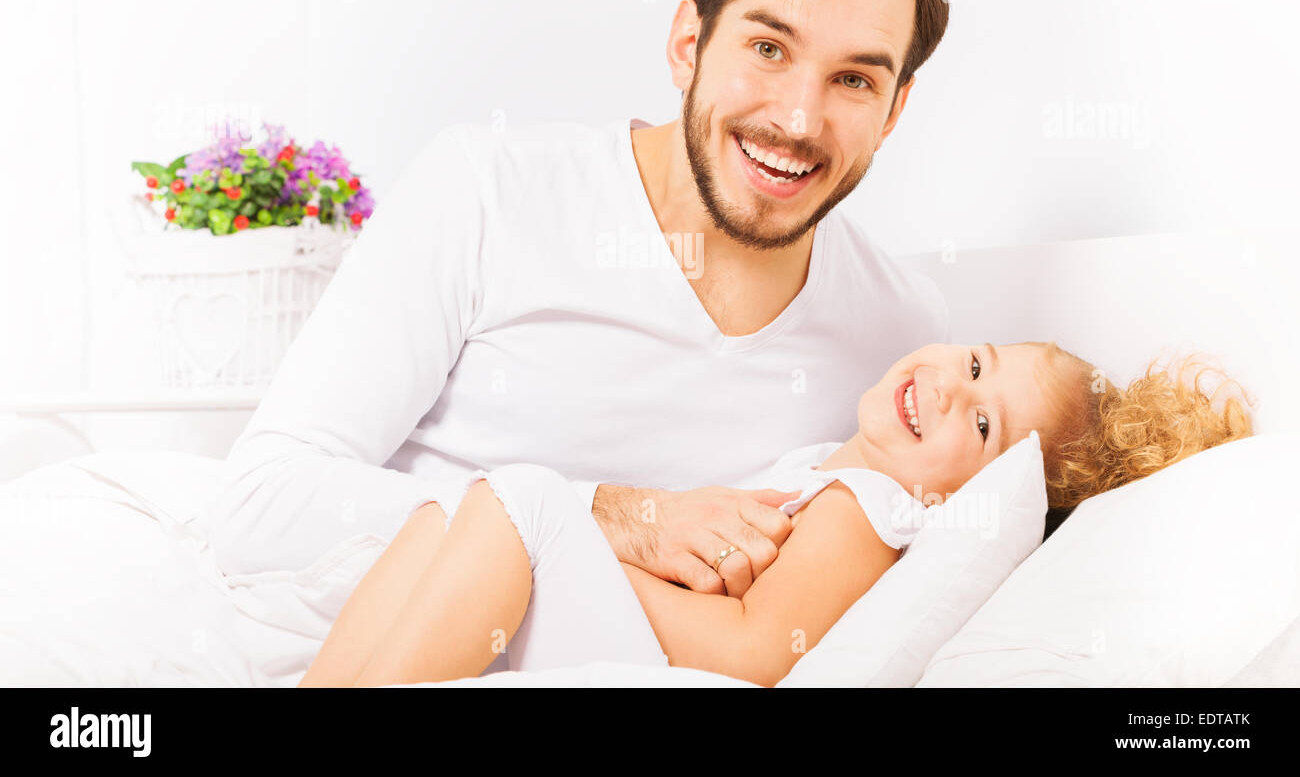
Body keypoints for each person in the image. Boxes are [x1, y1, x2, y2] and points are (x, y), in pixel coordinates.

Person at [201, 0, 958, 668]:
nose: (799, 119)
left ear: (894, 111)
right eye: (768, 49)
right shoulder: (487, 193)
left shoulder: (905, 350)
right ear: (688, 45)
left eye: (854, 80)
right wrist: (607, 515)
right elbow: (256, 505)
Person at [297, 341, 1253, 687]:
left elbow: (758, 653)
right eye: (975, 363)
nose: (949, 389)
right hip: (646, 624)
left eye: (982, 423)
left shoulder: (873, 507)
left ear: (965, 499)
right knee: (449, 512)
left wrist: (585, 549)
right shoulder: (832, 468)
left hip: (663, 653)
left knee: (521, 503)